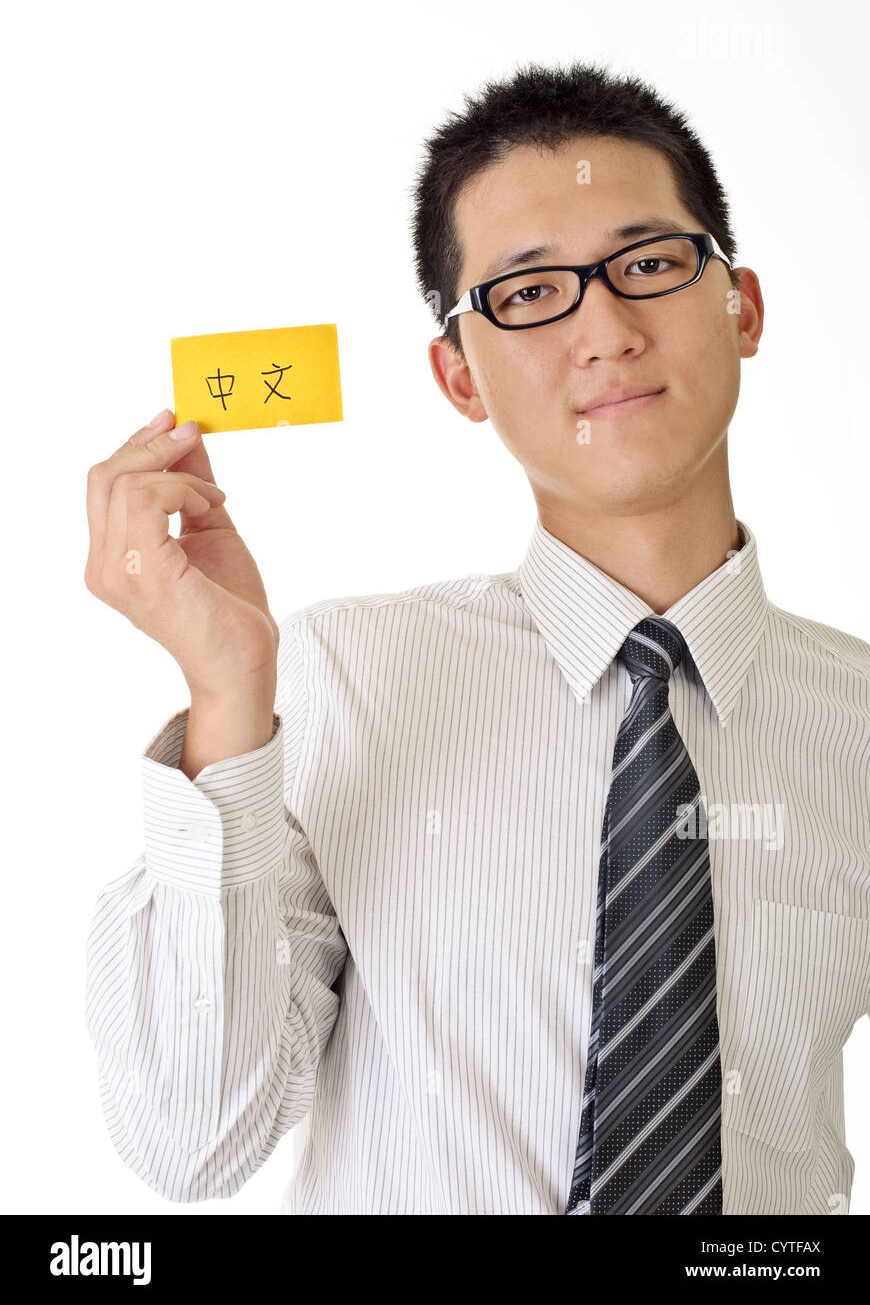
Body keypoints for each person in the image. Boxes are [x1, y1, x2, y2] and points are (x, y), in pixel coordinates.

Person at [84, 61, 870, 1215]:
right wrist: (225, 696)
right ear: (459, 375)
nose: (604, 329)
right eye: (530, 294)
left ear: (739, 306)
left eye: (649, 264)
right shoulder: (341, 679)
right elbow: (189, 1140)